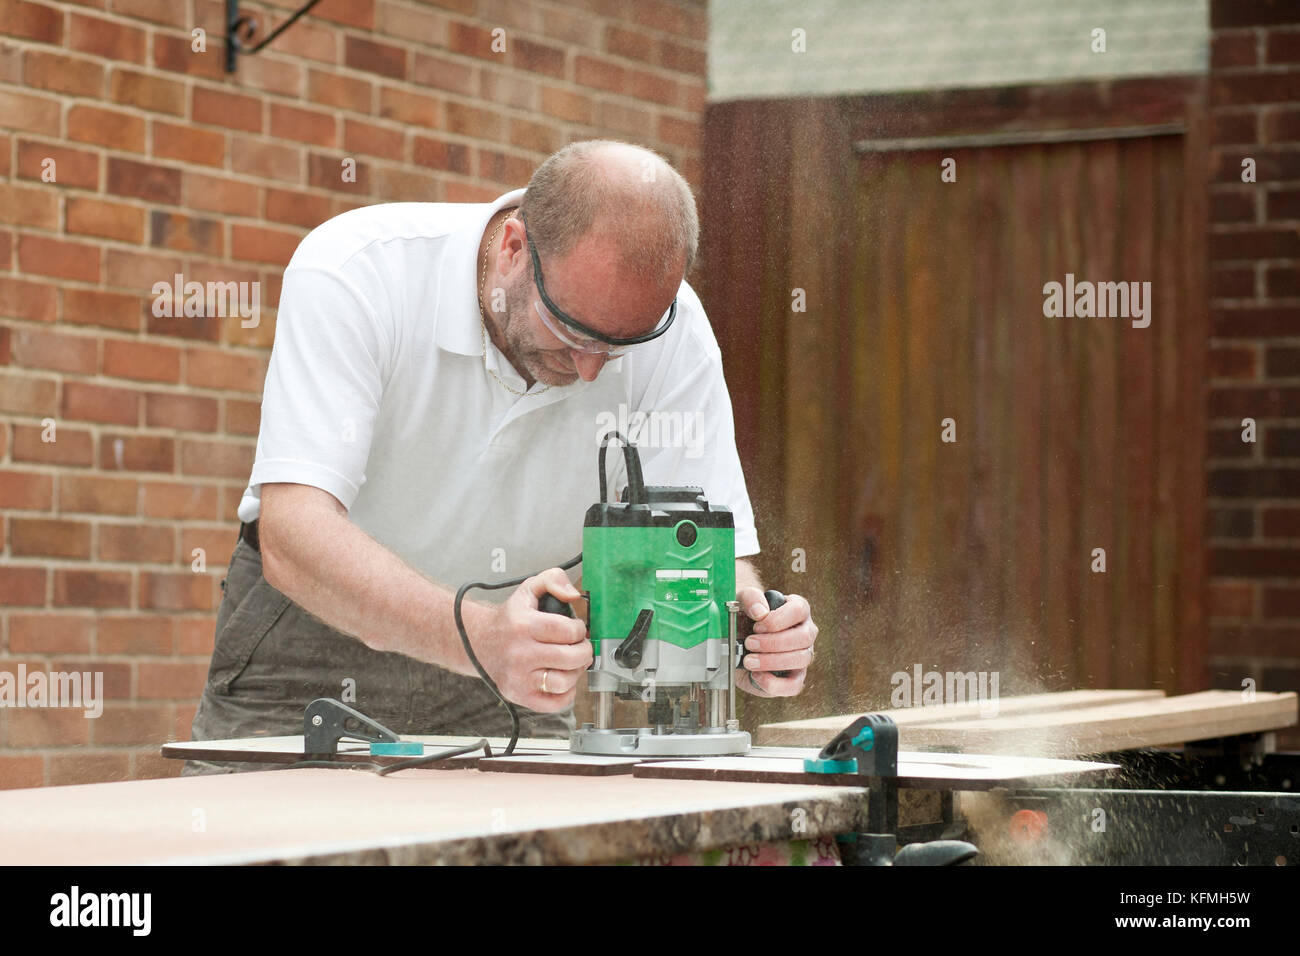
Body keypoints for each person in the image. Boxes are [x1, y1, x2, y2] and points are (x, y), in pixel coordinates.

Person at [184, 140, 818, 774]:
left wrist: (749, 631)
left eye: (620, 346)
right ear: (514, 248)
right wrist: (479, 637)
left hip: (521, 659)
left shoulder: (674, 333)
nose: (592, 370)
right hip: (314, 645)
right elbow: (293, 535)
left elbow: (701, 546)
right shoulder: (357, 270)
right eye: (573, 330)